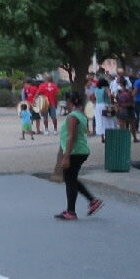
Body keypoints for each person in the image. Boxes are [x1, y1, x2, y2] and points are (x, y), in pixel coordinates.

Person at [54, 91, 105, 220]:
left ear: (70, 102)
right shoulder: (82, 115)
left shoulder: (72, 117)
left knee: (70, 180)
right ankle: (92, 200)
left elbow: (71, 136)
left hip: (75, 151)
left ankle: (71, 211)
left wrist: (66, 156)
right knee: (71, 179)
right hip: (81, 150)